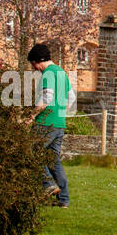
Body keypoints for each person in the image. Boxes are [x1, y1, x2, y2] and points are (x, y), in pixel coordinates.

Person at [28, 44, 71, 208]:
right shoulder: (62, 73)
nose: (34, 68)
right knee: (54, 160)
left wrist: (31, 116)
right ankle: (64, 200)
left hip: (45, 121)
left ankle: (48, 185)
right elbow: (68, 98)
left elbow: (46, 99)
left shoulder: (48, 74)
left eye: (33, 64)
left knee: (31, 152)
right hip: (60, 122)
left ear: (38, 61)